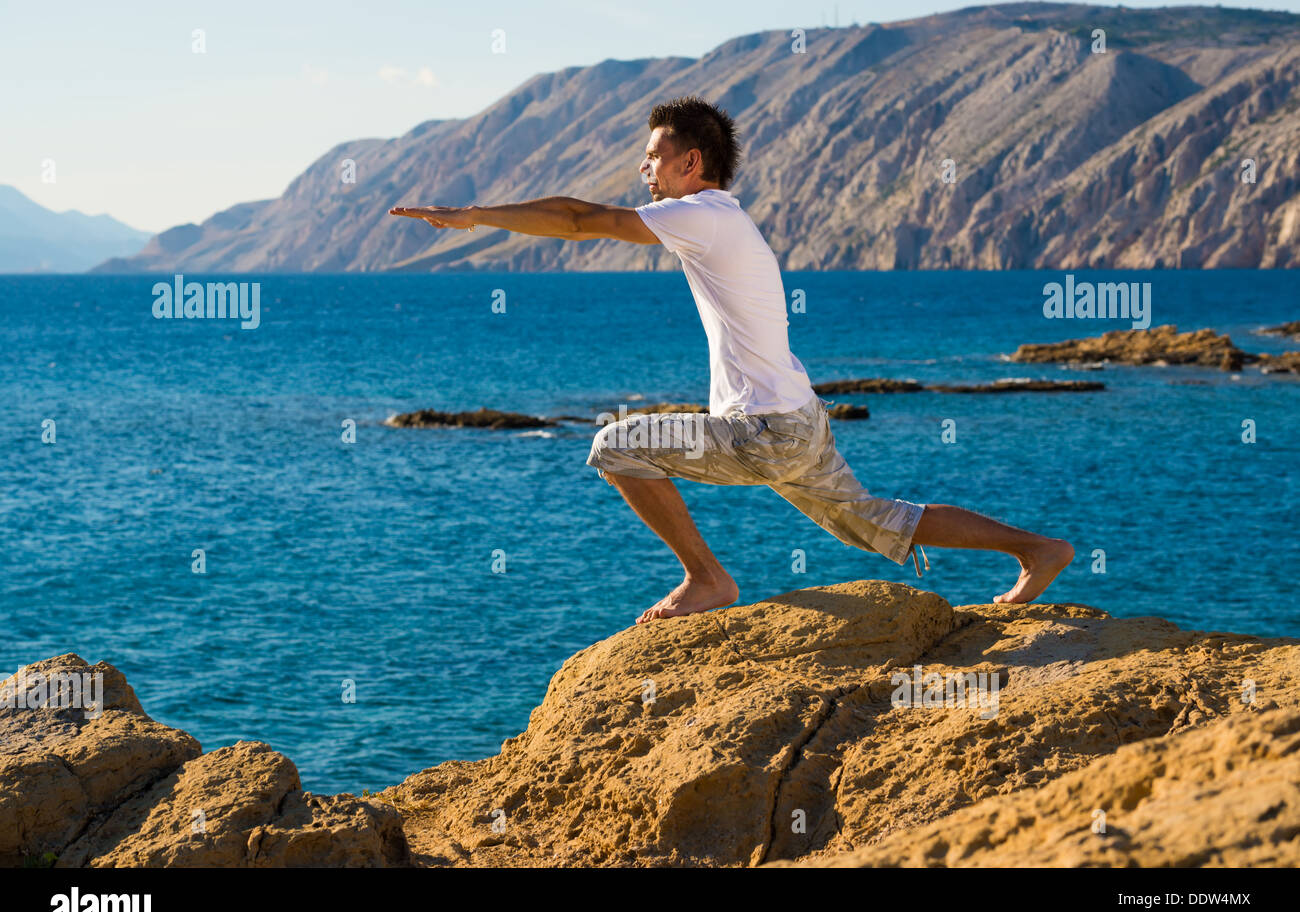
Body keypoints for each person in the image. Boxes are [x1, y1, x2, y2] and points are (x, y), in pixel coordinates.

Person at [390, 96, 1074, 623]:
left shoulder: (702, 215)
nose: (645, 170)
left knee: (616, 445)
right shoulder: (725, 219)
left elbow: (577, 219)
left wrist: (473, 215)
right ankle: (1036, 548)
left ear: (692, 164)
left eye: (655, 157)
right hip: (799, 420)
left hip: (766, 432)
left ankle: (708, 579)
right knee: (877, 519)